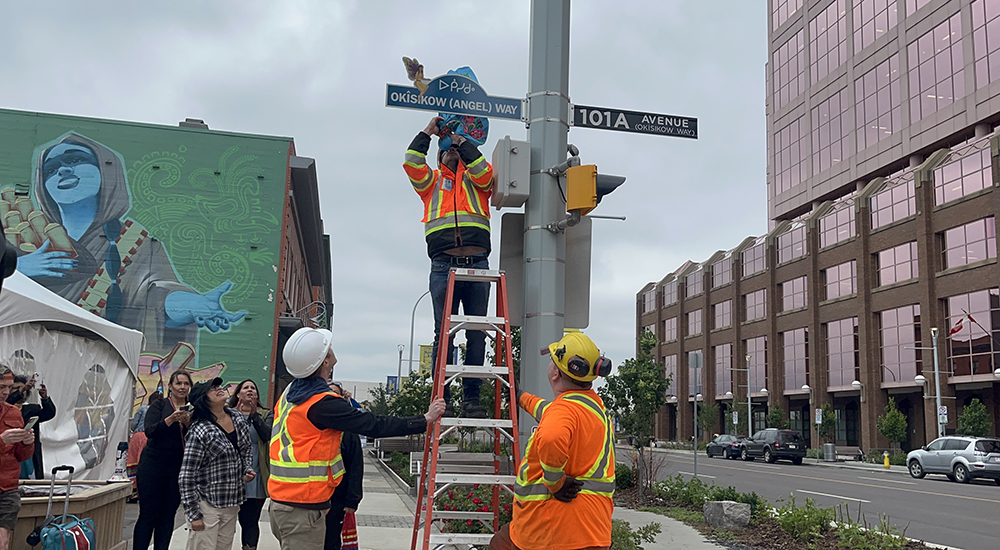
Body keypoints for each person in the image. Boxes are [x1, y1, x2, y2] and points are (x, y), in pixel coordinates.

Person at [269, 327, 446, 550]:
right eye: (328, 348)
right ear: (325, 361)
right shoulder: (321, 404)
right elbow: (373, 425)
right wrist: (424, 419)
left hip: (286, 503)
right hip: (302, 508)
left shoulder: (290, 394)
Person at [403, 116, 494, 418]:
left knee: (477, 332)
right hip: (443, 266)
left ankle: (472, 398)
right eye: (447, 148)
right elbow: (411, 162)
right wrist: (428, 132)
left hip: (477, 265)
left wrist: (460, 141)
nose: (452, 150)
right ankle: (443, 398)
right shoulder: (430, 183)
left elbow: (484, 173)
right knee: (444, 334)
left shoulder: (477, 181)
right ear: (439, 155)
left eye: (456, 148)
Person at [489, 333, 615, 550]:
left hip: (552, 530)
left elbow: (551, 436)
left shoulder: (562, 411)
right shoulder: (594, 409)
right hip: (593, 529)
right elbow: (546, 411)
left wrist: (556, 483)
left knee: (500, 544)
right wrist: (520, 397)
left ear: (556, 372)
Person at [179, 378, 255, 550]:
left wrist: (247, 468)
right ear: (203, 400)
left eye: (218, 386)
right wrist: (193, 514)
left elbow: (246, 449)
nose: (219, 389)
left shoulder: (236, 417)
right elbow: (186, 475)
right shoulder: (200, 430)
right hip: (207, 504)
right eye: (212, 389)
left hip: (231, 500)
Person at [132, 370, 192, 550]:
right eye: (178, 383)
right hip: (153, 466)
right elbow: (150, 431)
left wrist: (188, 424)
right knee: (148, 514)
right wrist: (170, 420)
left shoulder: (193, 409)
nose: (182, 387)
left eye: (186, 384)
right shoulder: (160, 405)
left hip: (176, 468)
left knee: (168, 515)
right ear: (170, 386)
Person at [228, 380, 272, 550]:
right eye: (245, 387)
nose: (250, 390)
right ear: (238, 393)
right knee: (228, 519)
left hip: (256, 472)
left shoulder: (265, 414)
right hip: (232, 472)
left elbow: (267, 435)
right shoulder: (227, 413)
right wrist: (236, 418)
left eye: (253, 388)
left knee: (250, 520)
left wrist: (254, 415)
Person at [324, 381, 363, 550]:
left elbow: (356, 466)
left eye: (336, 393)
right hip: (312, 498)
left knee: (331, 540)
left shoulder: (349, 431)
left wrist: (352, 500)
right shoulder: (313, 424)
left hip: (337, 498)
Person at [0, 365, 34, 550]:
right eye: (1, 387)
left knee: (2, 541)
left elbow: (21, 456)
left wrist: (27, 443)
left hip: (7, 487)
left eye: (9, 387)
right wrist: (1, 441)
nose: (6, 392)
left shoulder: (14, 412)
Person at [7, 374, 54, 479]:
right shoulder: (4, 409)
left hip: (30, 454)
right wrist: (22, 389)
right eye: (15, 388)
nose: (21, 390)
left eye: (22, 388)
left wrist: (45, 398)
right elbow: (8, 402)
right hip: (10, 453)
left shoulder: (31, 409)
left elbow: (49, 414)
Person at [127, 391, 162, 502]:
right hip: (150, 437)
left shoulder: (143, 408)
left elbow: (134, 424)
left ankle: (133, 488)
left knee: (133, 461)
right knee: (144, 462)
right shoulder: (161, 410)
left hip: (138, 436)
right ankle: (142, 489)